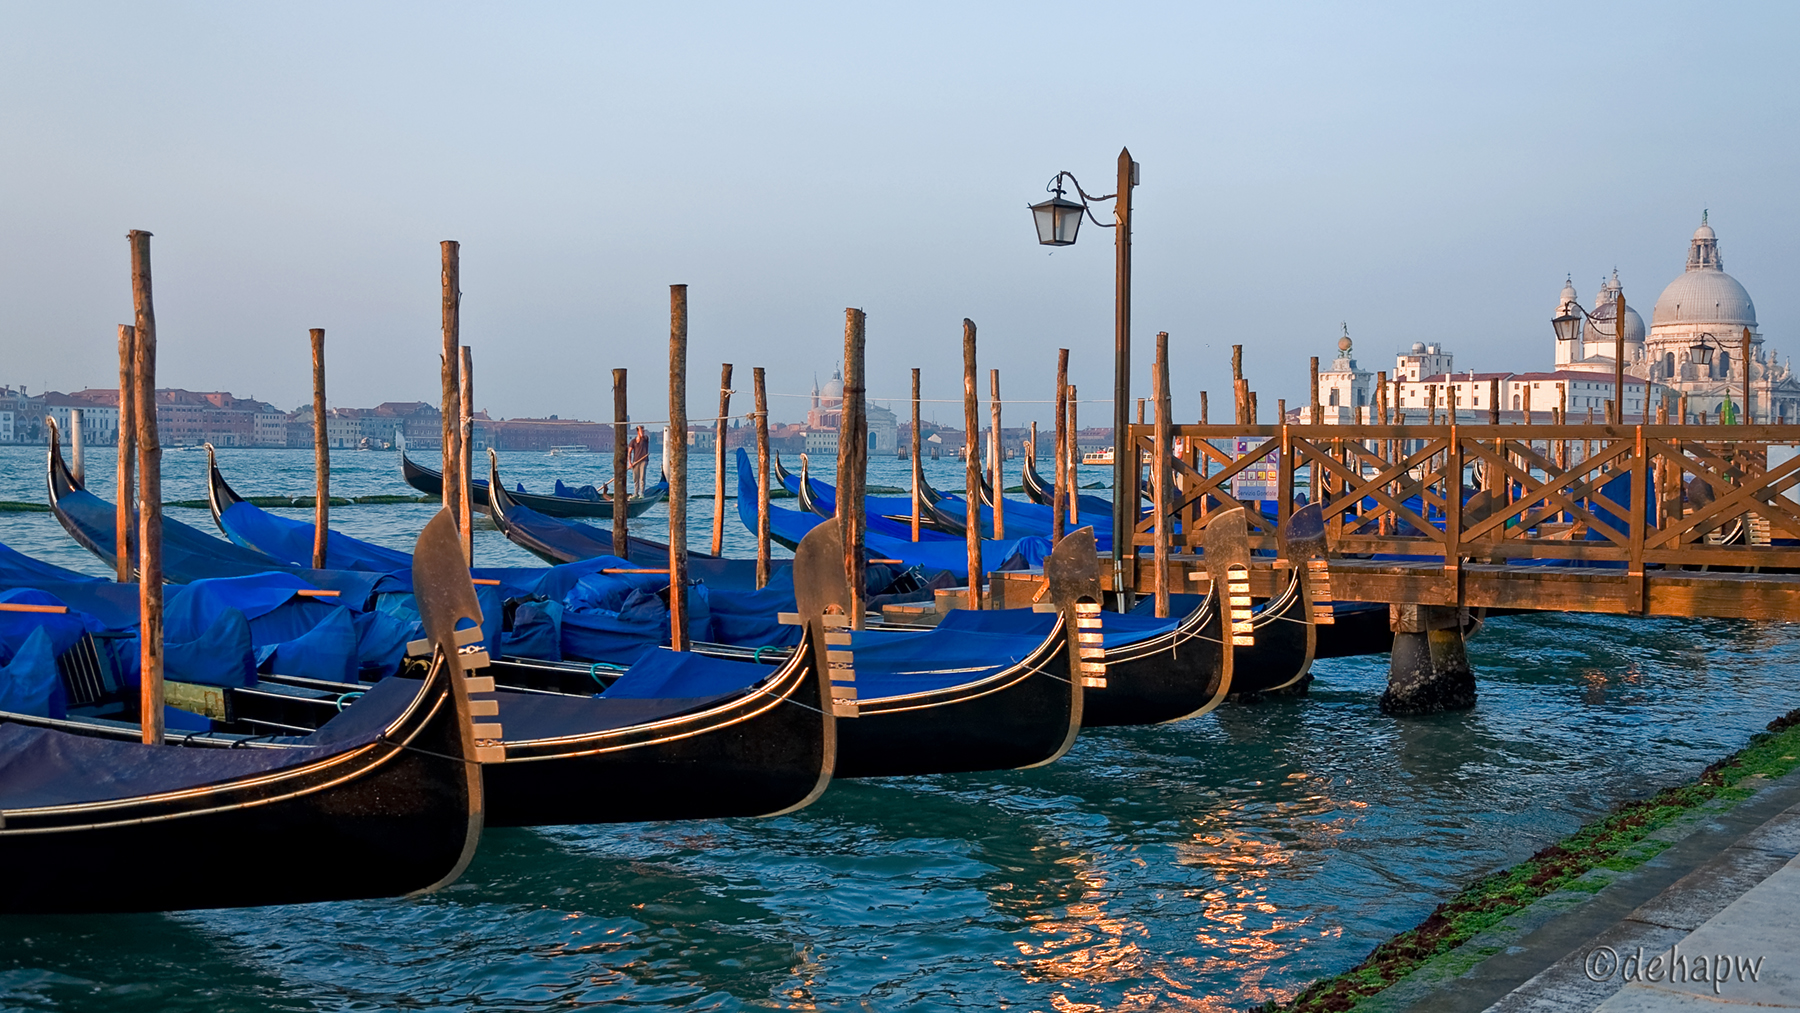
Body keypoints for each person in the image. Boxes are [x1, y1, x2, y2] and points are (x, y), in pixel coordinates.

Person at [627, 426, 650, 495]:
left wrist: (640, 429)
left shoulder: (645, 439)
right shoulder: (633, 441)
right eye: (641, 431)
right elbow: (629, 452)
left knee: (642, 478)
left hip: (644, 460)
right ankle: (635, 493)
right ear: (638, 432)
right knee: (635, 479)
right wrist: (630, 463)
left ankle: (642, 493)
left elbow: (642, 436)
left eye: (643, 431)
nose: (643, 432)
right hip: (635, 462)